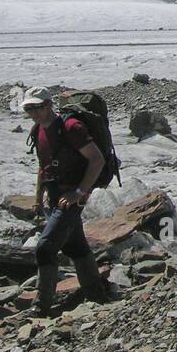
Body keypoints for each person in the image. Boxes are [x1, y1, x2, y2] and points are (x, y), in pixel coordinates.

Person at [23, 87, 108, 312]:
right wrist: (38, 199)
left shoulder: (71, 128)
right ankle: (96, 293)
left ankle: (41, 305)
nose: (33, 113)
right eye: (29, 108)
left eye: (37, 107)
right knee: (75, 246)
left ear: (49, 105)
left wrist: (80, 192)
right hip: (55, 196)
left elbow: (97, 160)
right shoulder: (38, 130)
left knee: (44, 248)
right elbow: (44, 167)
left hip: (71, 198)